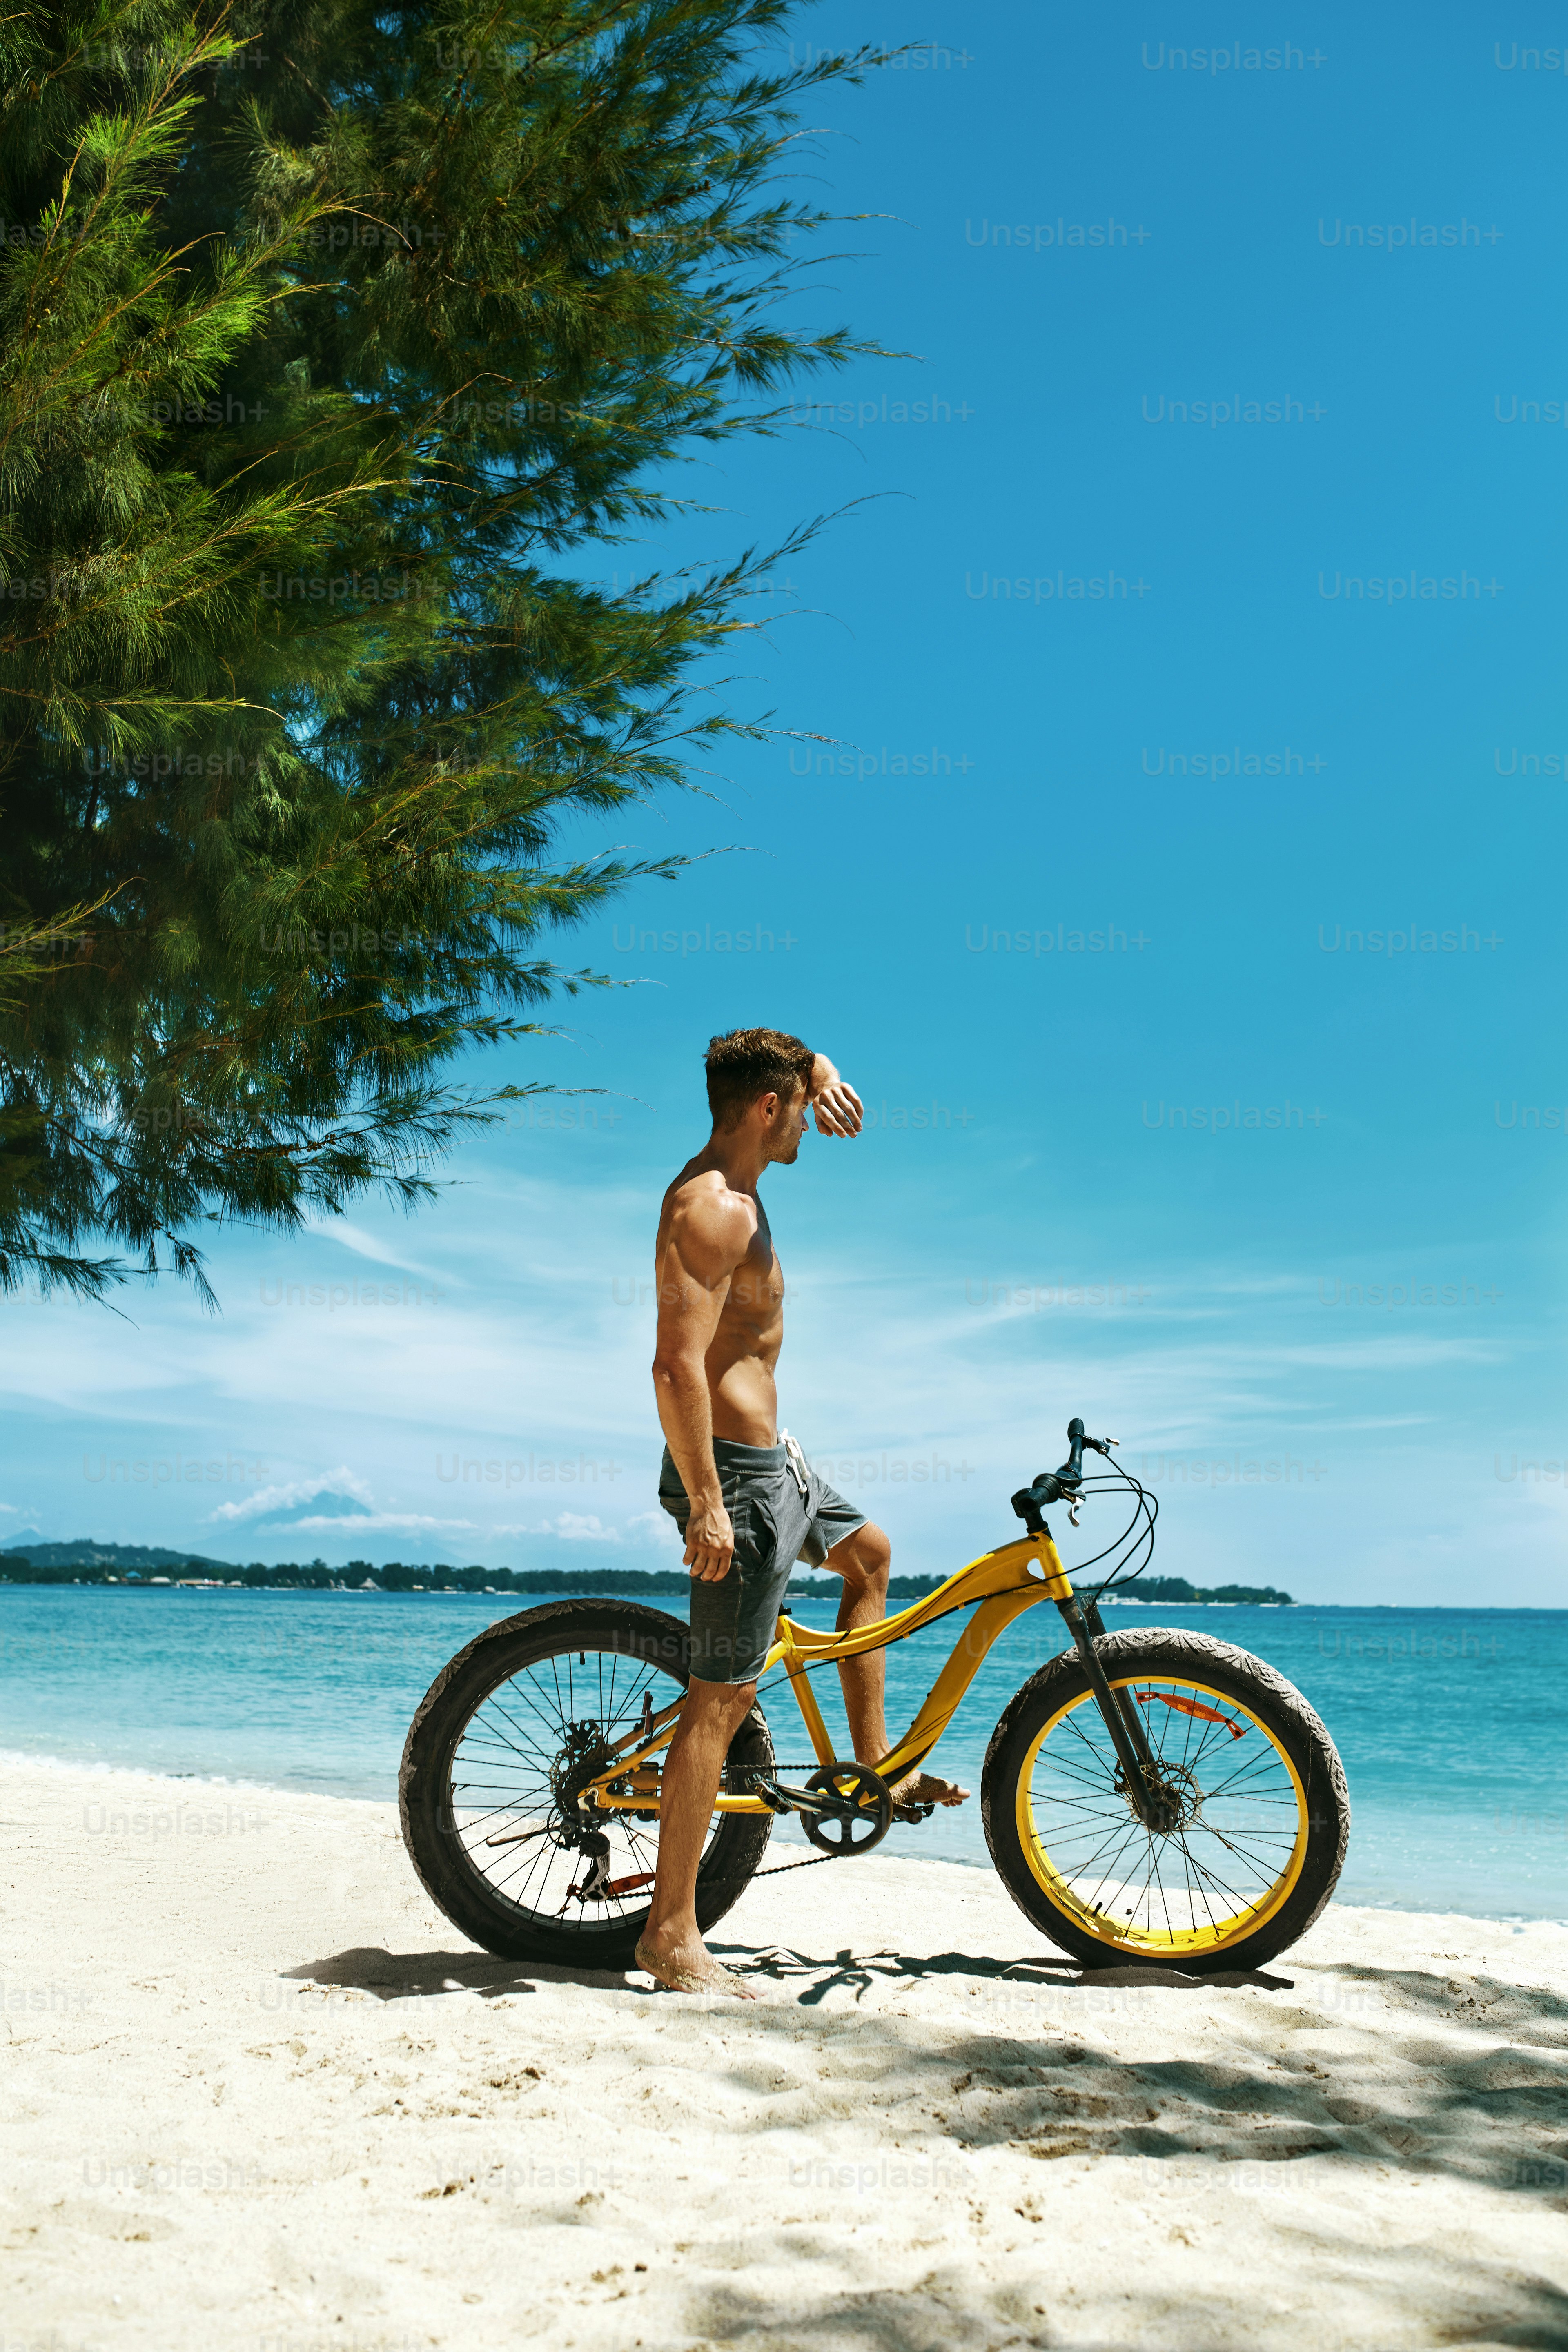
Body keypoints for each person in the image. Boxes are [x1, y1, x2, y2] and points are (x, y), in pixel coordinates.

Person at [634, 1026, 967, 1997]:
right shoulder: (711, 1210)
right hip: (732, 1475)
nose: (811, 1132)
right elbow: (674, 1366)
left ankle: (875, 1772)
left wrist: (821, 1071)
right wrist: (706, 1505)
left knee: (870, 1558)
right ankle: (671, 1934)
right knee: (723, 1695)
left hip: (777, 1459)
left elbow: (772, 1046)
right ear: (768, 1111)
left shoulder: (746, 1183)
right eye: (800, 1111)